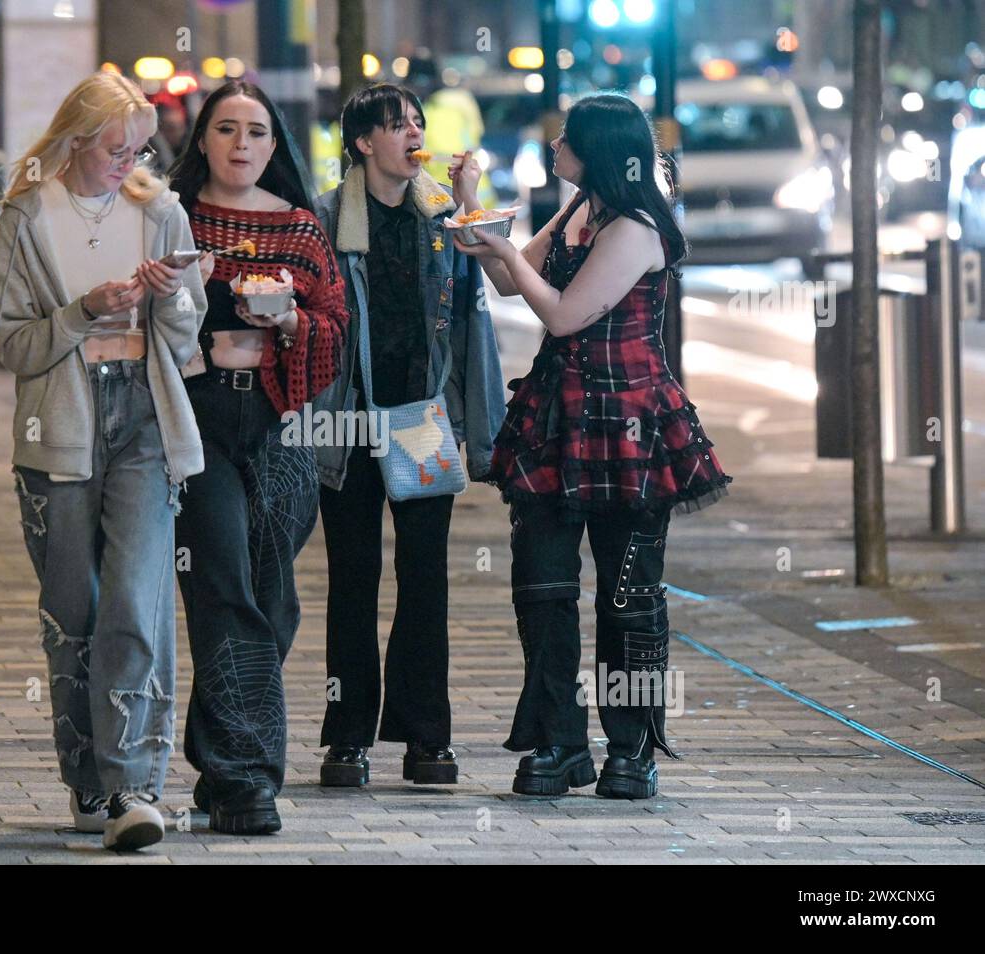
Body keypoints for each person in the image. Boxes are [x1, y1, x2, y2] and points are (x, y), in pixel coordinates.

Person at [450, 93, 731, 800]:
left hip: (628, 420)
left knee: (628, 594)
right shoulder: (581, 209)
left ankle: (632, 748)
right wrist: (470, 210)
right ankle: (557, 741)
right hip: (557, 417)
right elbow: (512, 285)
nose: (554, 147)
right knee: (542, 587)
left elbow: (565, 313)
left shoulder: (635, 227)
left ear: (600, 149)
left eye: (566, 140)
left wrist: (507, 248)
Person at [0, 70, 207, 850]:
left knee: (136, 598)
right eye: (116, 149)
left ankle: (134, 786)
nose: (129, 163)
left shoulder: (161, 211)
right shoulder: (26, 216)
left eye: (140, 149)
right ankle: (86, 779)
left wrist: (171, 296)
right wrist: (84, 312)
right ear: (78, 141)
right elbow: (14, 342)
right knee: (72, 612)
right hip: (61, 427)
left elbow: (187, 339)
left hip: (147, 417)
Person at [167, 80, 348, 835]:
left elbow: (336, 332)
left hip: (280, 422)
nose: (243, 145)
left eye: (258, 132)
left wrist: (289, 323)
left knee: (273, 599)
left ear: (277, 146)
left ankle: (216, 753)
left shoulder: (303, 230)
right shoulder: (171, 219)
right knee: (222, 587)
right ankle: (248, 782)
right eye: (226, 129)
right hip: (196, 420)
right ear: (202, 139)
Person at [311, 83, 504, 788]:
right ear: (363, 143)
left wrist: (468, 193)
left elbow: (494, 261)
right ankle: (348, 738)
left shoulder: (441, 213)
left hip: (421, 420)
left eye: (417, 122)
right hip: (352, 414)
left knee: (426, 579)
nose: (414, 134)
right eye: (398, 126)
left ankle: (428, 737)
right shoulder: (329, 218)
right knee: (353, 578)